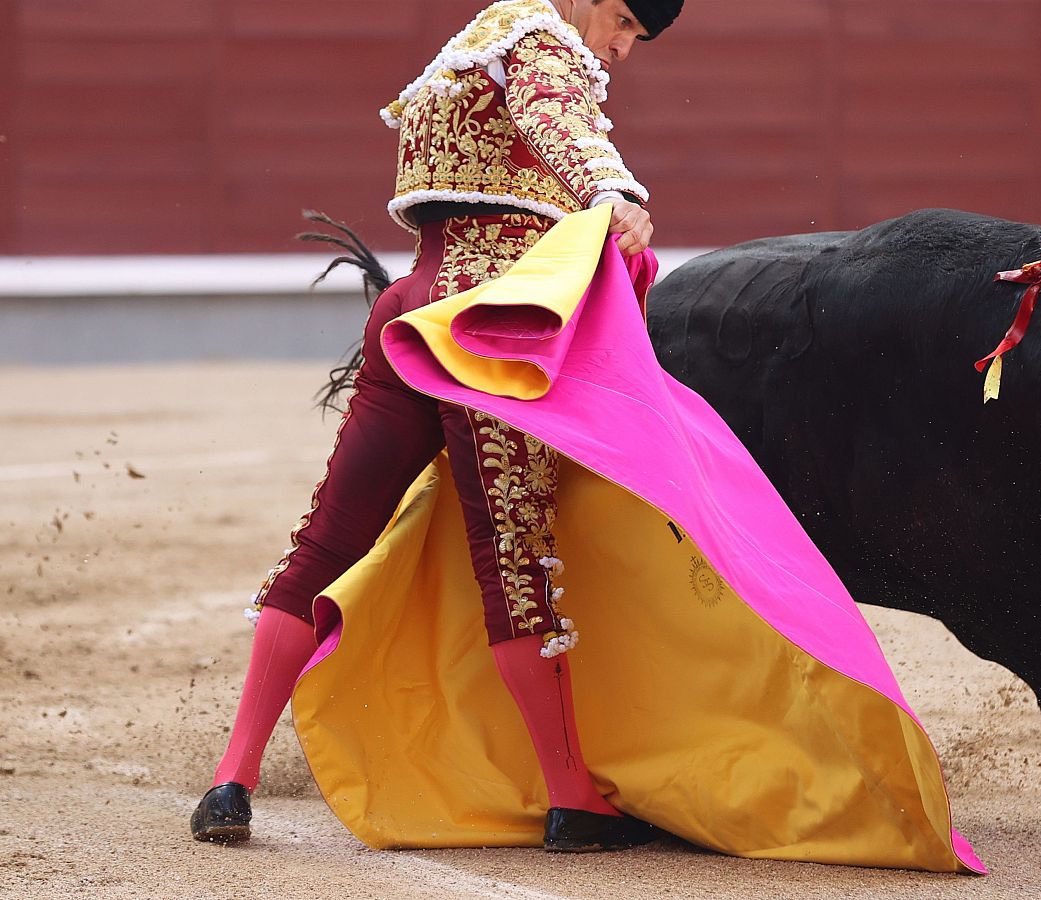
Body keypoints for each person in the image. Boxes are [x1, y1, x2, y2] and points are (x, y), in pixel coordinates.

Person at [190, 0, 684, 851]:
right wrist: (614, 192)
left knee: (326, 542)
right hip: (491, 324)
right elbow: (554, 111)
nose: (621, 49)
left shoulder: (478, 40)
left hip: (410, 308)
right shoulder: (538, 39)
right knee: (516, 559)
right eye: (623, 23)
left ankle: (229, 780)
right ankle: (571, 797)